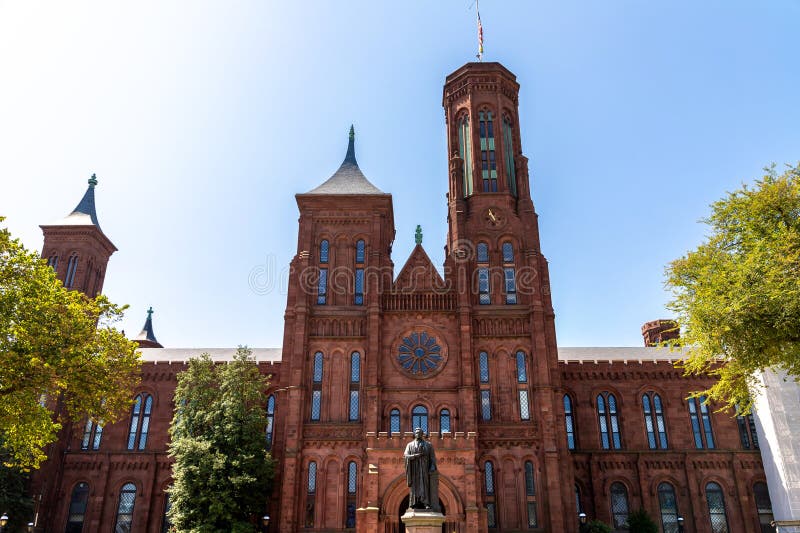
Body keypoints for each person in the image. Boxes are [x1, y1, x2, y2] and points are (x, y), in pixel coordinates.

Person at [404, 427, 437, 509]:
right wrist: (415, 456)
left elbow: (432, 457)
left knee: (425, 485)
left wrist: (432, 466)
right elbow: (406, 455)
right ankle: (414, 503)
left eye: (419, 433)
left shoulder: (428, 445)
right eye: (416, 433)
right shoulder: (410, 445)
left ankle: (426, 503)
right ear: (414, 434)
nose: (418, 434)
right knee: (415, 486)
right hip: (414, 469)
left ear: (422, 434)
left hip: (424, 468)